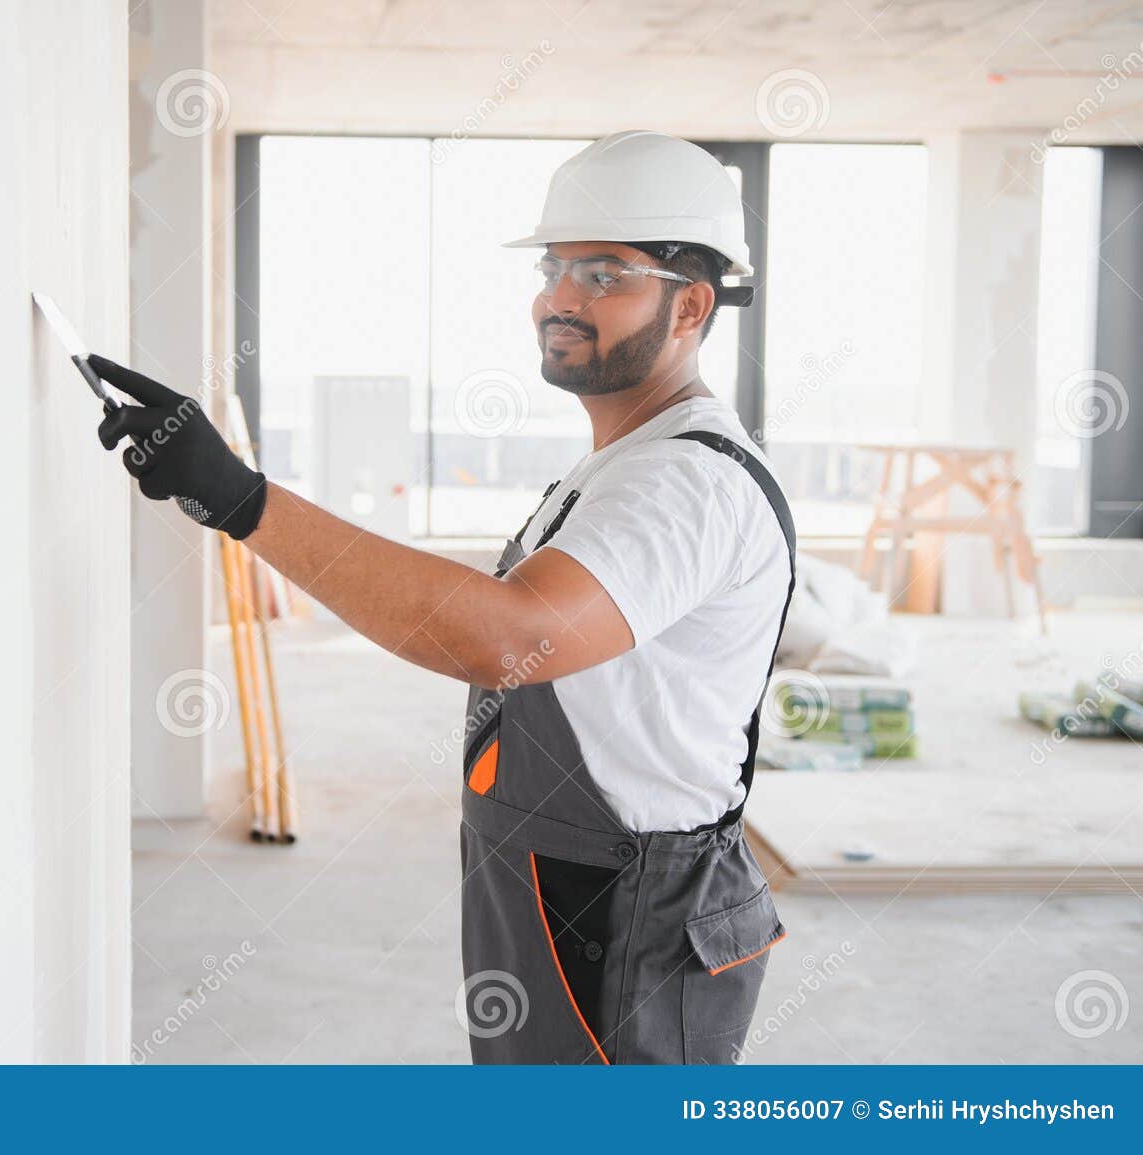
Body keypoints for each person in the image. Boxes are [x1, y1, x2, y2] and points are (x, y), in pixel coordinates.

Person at [90, 130, 796, 1065]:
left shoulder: (683, 483)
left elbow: (511, 638)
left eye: (605, 274)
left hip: (625, 911)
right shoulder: (620, 463)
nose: (560, 298)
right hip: (556, 881)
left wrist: (242, 500)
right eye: (555, 267)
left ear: (693, 304)